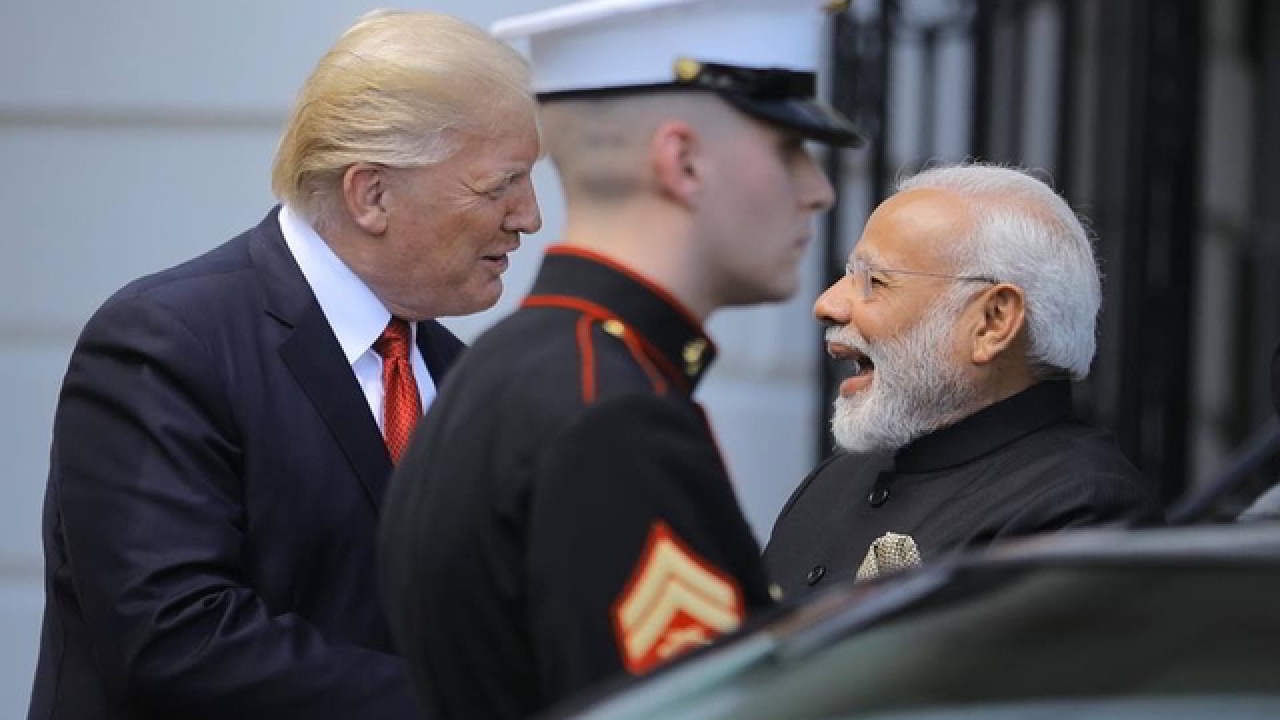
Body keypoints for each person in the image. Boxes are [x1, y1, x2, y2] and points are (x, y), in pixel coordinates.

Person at [28, 10, 541, 720]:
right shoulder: (168, 342)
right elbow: (176, 644)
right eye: (499, 186)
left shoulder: (460, 377)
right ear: (372, 194)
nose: (529, 216)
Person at [377, 0, 863, 717]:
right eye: (788, 150)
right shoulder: (612, 415)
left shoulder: (512, 367)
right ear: (683, 161)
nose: (817, 191)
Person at [764, 163, 1164, 596]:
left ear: (993, 322)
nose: (827, 304)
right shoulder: (835, 483)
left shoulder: (1081, 507)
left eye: (874, 281)